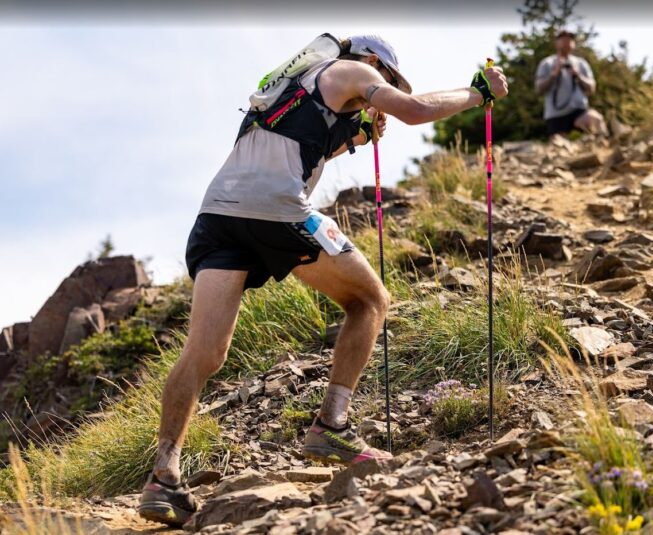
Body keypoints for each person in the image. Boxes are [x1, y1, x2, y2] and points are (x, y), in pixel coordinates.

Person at [137, 34, 508, 527]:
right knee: (371, 300)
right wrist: (477, 92)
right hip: (277, 208)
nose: (381, 89)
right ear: (376, 64)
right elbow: (415, 110)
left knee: (204, 353)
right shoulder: (354, 71)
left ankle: (163, 477)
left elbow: (304, 145)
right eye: (388, 80)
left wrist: (358, 136)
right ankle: (331, 424)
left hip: (217, 215)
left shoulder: (291, 84)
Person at [535, 28, 607, 137]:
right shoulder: (547, 63)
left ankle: (605, 146)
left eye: (570, 39)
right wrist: (554, 74)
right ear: (556, 42)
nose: (567, 42)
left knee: (596, 119)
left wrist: (578, 75)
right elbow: (539, 88)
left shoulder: (581, 63)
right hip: (556, 114)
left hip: (578, 111)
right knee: (558, 147)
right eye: (563, 39)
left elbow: (592, 88)